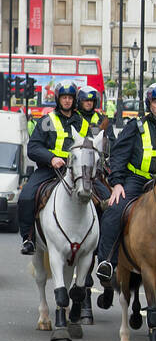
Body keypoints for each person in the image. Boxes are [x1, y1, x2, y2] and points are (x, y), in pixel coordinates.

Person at [95, 83, 156, 301]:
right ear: (149, 104)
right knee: (115, 210)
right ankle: (107, 262)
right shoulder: (136, 126)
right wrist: (117, 184)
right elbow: (119, 155)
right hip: (137, 180)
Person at [17, 79, 90, 255]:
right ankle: (29, 239)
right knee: (26, 197)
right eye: (64, 97)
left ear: (74, 100)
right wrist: (51, 159)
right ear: (58, 99)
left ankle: (97, 244)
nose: (67, 101)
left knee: (104, 198)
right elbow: (33, 147)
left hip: (77, 172)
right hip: (49, 171)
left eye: (70, 97)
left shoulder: (83, 123)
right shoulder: (46, 120)